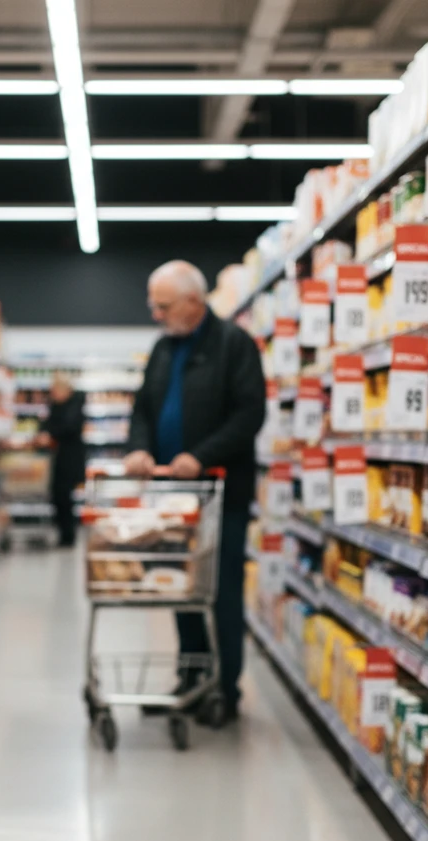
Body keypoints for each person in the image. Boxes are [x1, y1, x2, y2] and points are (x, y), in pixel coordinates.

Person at [124, 260, 266, 725]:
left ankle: (224, 689)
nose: (156, 315)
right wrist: (141, 450)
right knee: (181, 587)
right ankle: (191, 676)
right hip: (169, 494)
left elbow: (249, 416)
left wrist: (201, 456)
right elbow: (143, 408)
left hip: (219, 491)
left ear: (193, 301)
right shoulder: (164, 348)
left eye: (163, 306)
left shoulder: (234, 345)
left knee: (220, 589)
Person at [38, 371, 85, 547]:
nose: (52, 393)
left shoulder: (75, 404)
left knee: (65, 497)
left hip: (70, 459)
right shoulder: (54, 405)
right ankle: (62, 532)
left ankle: (68, 535)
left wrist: (51, 434)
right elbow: (46, 423)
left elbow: (69, 427)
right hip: (56, 460)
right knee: (58, 496)